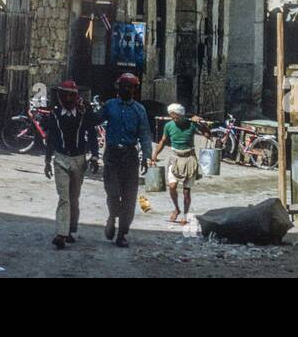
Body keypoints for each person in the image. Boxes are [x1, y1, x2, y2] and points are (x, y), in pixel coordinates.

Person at [92, 72, 152, 247]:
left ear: (135, 89)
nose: (127, 89)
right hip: (112, 155)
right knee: (112, 192)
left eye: (131, 86)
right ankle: (112, 216)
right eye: (124, 85)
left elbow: (145, 135)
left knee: (129, 197)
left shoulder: (139, 110)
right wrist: (87, 111)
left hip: (130, 155)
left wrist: (146, 157)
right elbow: (96, 120)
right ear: (119, 87)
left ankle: (122, 233)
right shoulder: (110, 106)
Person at [41, 80, 101, 250]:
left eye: (71, 94)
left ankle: (70, 229)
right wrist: (47, 161)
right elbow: (51, 138)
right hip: (60, 159)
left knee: (74, 198)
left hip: (79, 159)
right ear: (59, 96)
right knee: (64, 198)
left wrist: (95, 156)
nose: (68, 98)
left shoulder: (84, 114)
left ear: (76, 97)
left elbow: (91, 135)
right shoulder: (54, 114)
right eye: (64, 94)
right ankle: (61, 233)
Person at [150, 103, 207, 223]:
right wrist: (155, 155)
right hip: (175, 158)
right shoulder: (169, 126)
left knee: (186, 191)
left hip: (189, 159)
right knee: (172, 186)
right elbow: (163, 140)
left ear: (182, 115)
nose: (174, 119)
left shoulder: (192, 125)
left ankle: (185, 215)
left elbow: (208, 135)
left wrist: (202, 124)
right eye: (172, 116)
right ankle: (176, 209)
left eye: (176, 116)